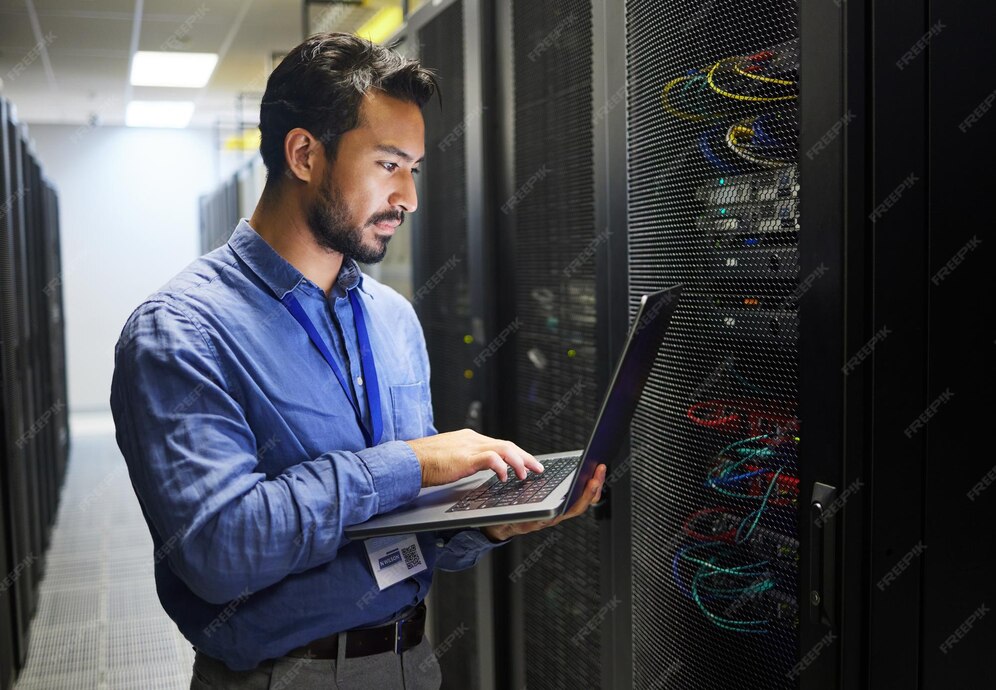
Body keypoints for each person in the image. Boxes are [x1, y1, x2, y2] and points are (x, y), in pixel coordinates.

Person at [110, 32, 607, 689]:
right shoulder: (181, 333)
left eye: (415, 169)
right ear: (304, 154)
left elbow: (414, 517)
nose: (409, 197)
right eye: (388, 164)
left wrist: (487, 525)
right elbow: (219, 551)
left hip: (413, 660)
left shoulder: (393, 319)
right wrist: (412, 461)